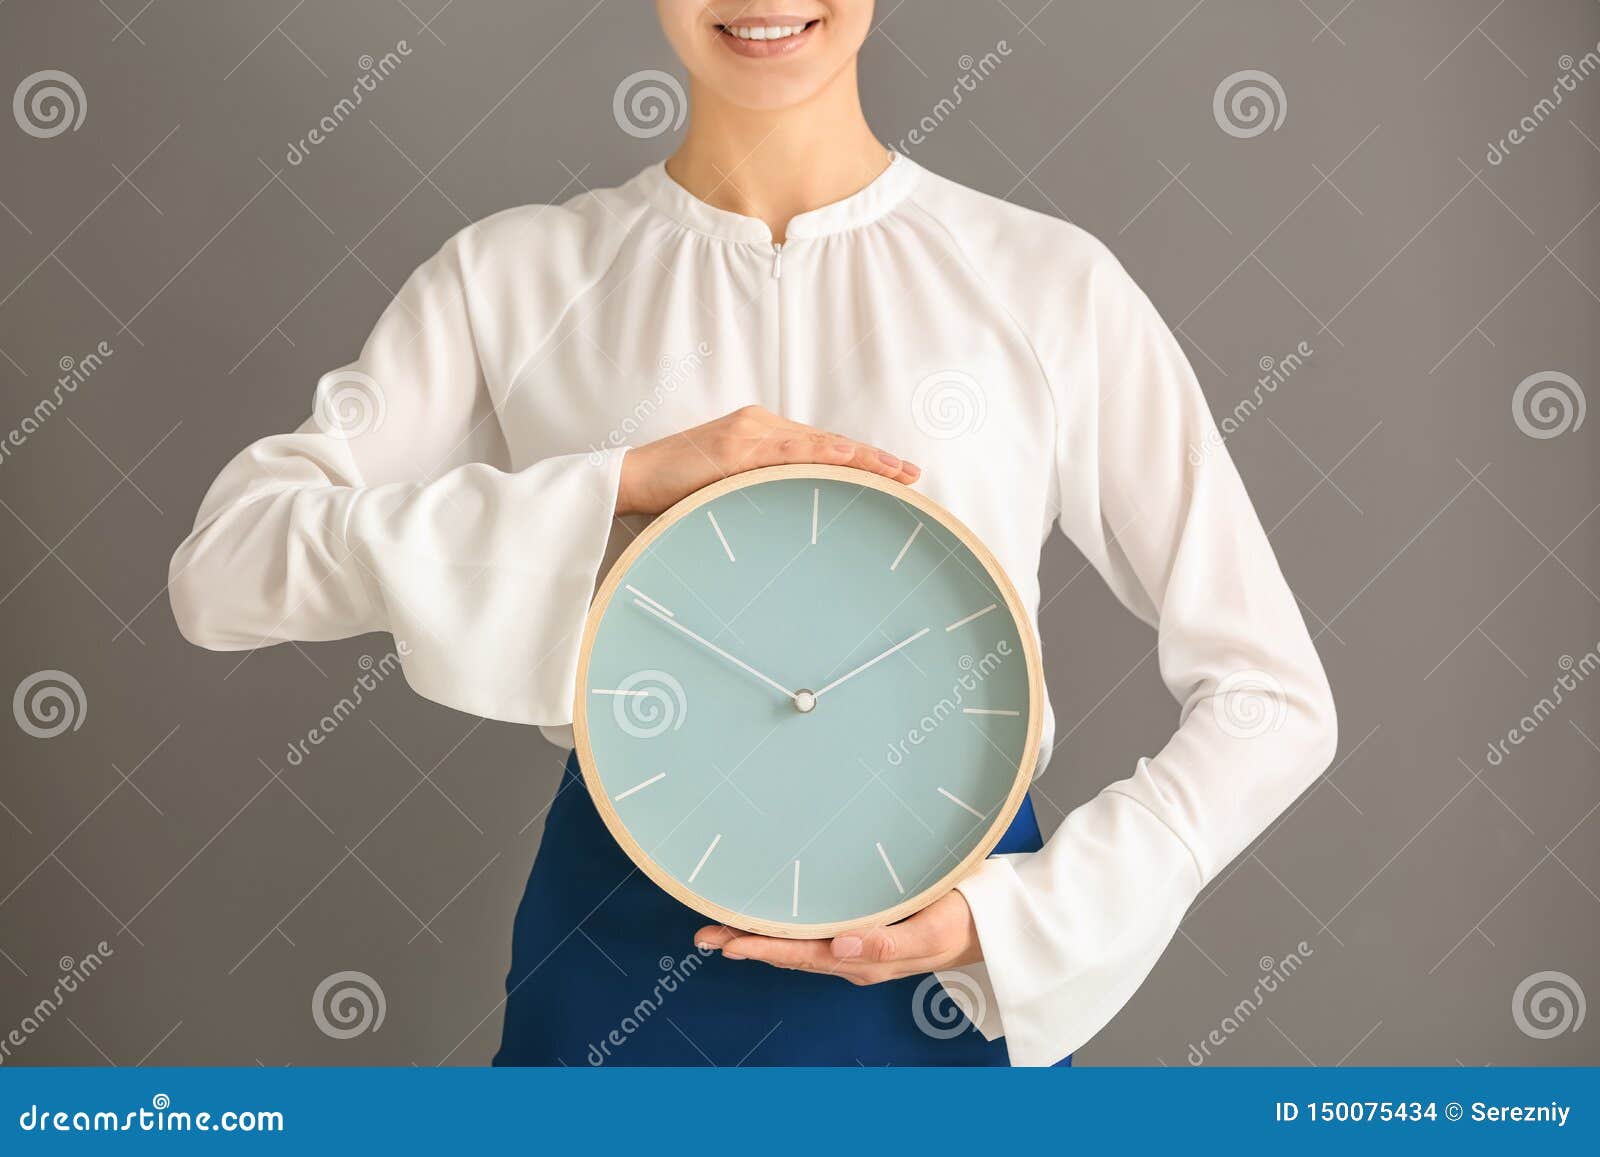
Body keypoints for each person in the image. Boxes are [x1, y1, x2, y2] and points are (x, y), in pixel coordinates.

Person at [169, 1, 1337, 1067]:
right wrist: (617, 484)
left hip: (940, 961)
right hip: (619, 953)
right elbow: (223, 569)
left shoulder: (1045, 284)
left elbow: (1273, 696)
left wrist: (1023, 917)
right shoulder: (513, 277)